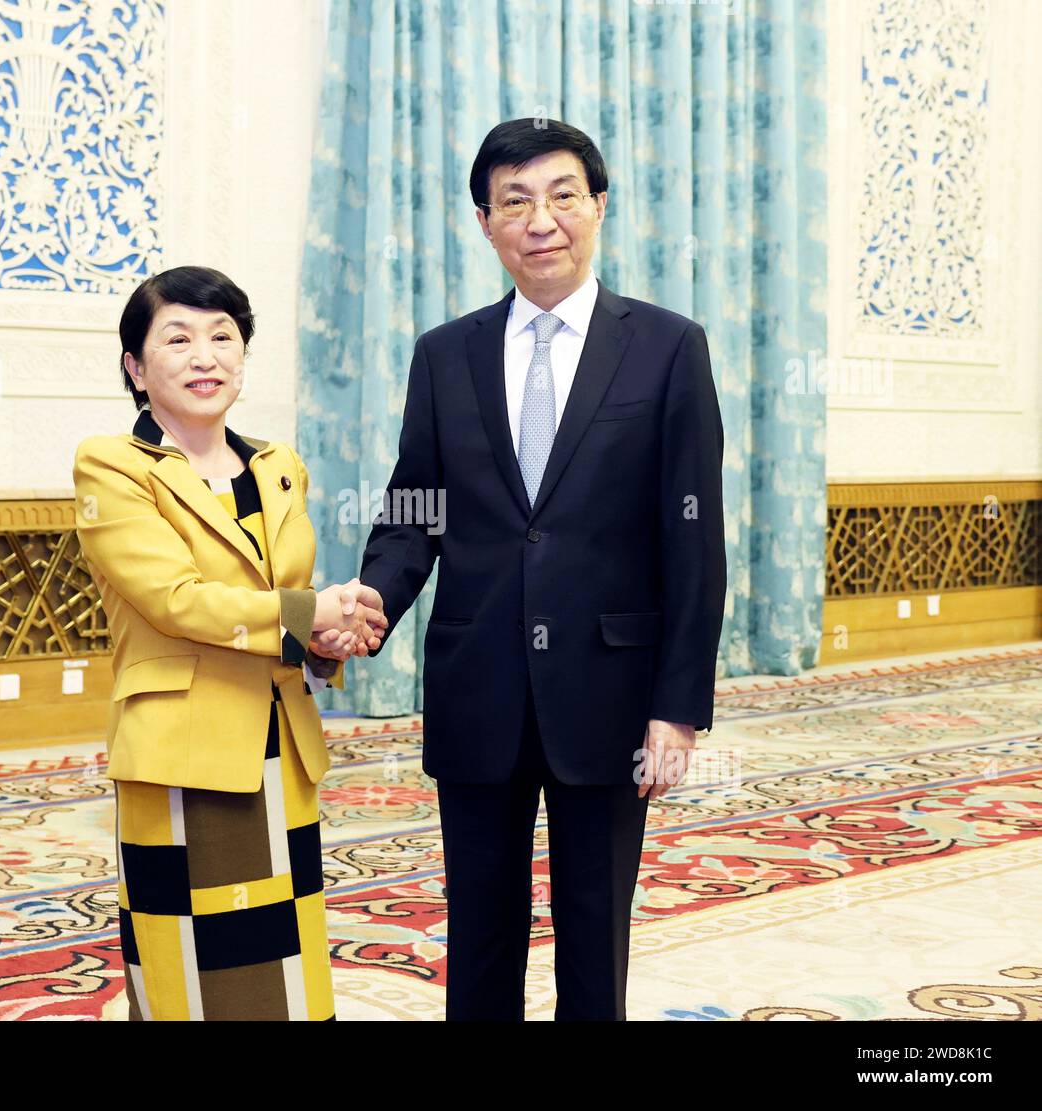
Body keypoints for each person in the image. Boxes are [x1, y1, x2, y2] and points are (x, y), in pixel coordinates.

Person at [351, 119, 727, 1020]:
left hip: (610, 685)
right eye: (514, 201)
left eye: (562, 196)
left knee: (595, 928)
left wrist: (677, 708)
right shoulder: (445, 354)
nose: (541, 219)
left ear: (597, 207)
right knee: (479, 926)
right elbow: (417, 506)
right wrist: (373, 599)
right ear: (485, 222)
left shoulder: (668, 346)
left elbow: (696, 538)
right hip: (477, 680)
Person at [73, 265, 386, 1020]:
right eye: (176, 338)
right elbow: (177, 601)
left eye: (223, 336)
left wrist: (328, 639)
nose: (205, 355)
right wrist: (312, 612)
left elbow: (281, 597)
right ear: (136, 368)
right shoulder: (112, 466)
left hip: (282, 740)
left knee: (284, 957)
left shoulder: (278, 467)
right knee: (192, 964)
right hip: (184, 745)